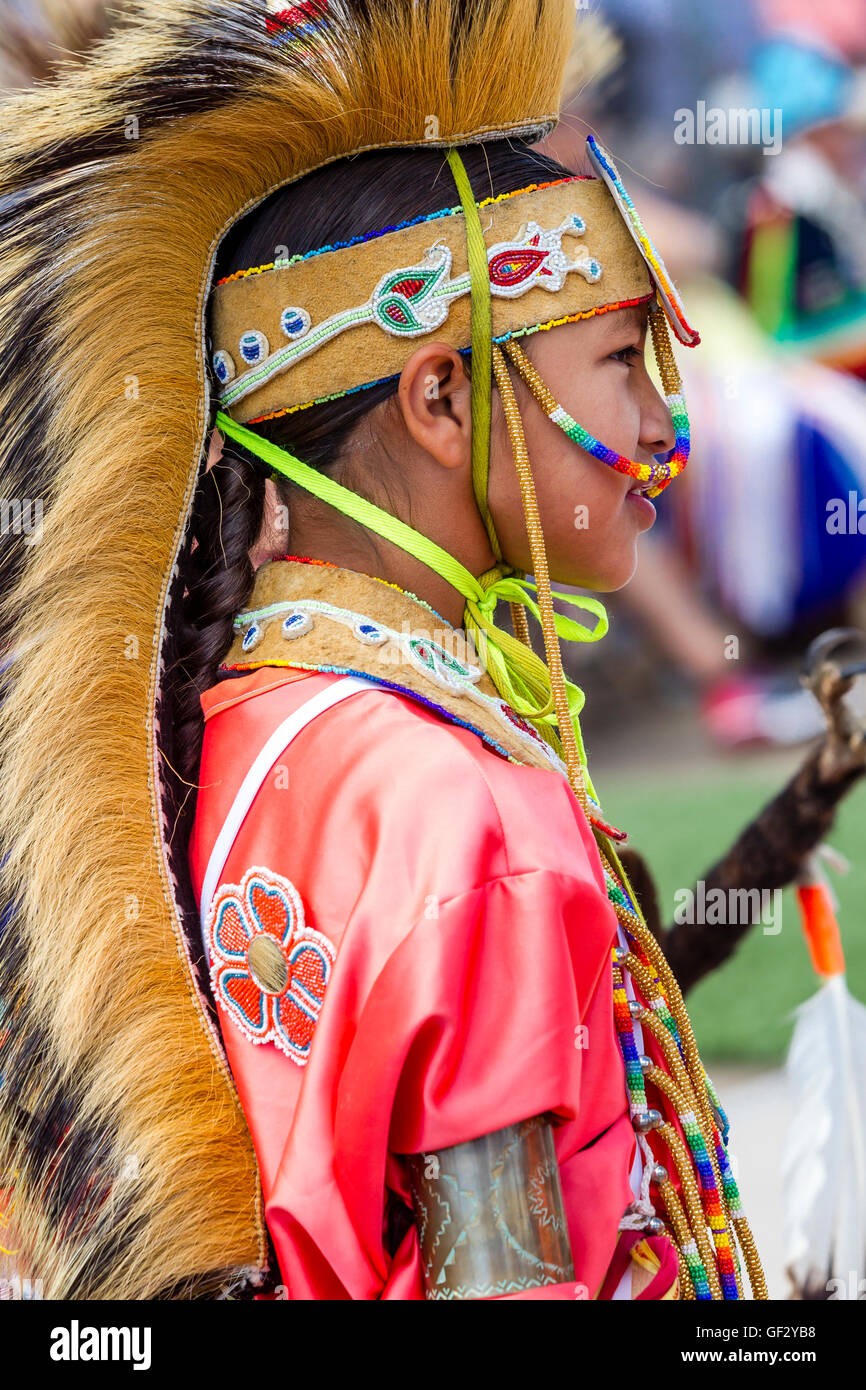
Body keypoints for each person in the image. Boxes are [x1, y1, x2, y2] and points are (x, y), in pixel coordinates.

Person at [0, 0, 765, 1300]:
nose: (656, 423)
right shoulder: (468, 822)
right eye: (619, 358)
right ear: (441, 394)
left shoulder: (205, 742)